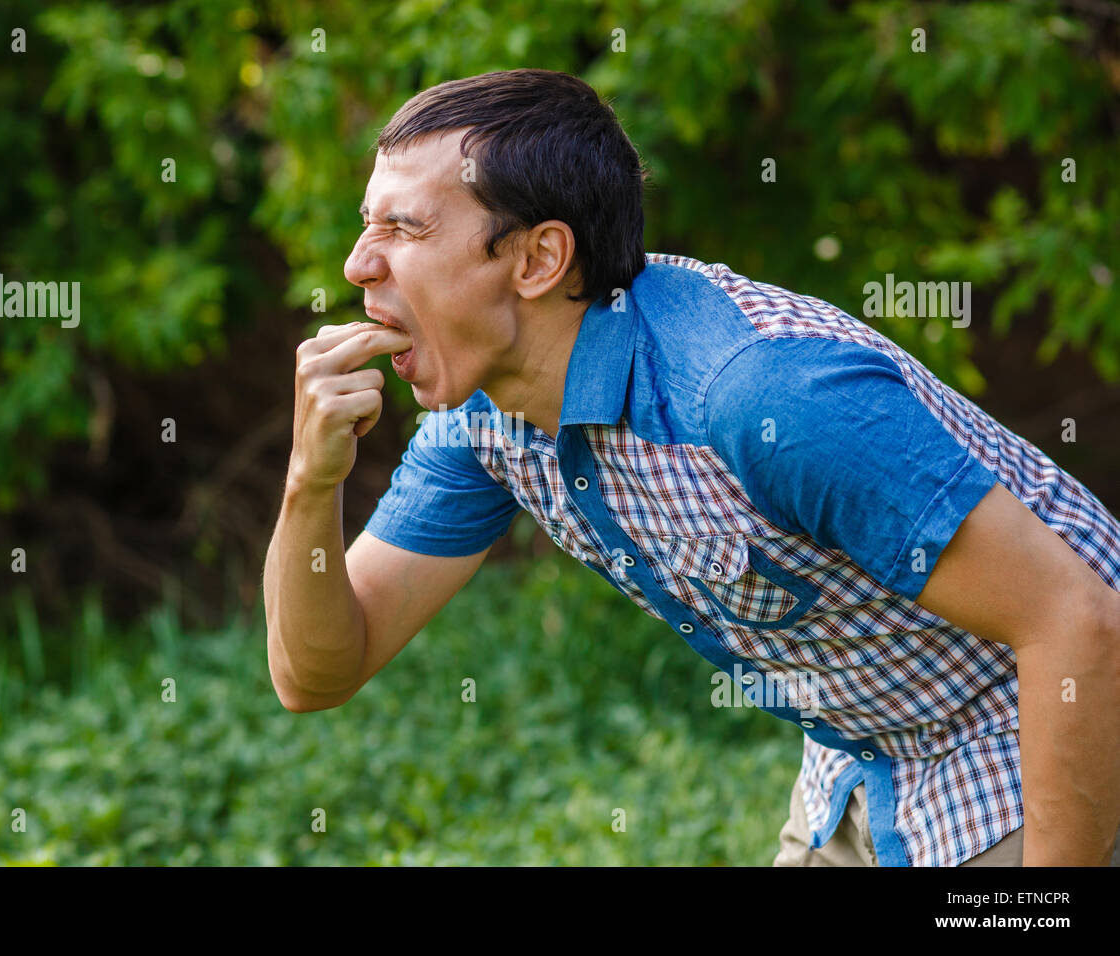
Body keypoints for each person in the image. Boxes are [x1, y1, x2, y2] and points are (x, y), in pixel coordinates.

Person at [261, 69, 1120, 866]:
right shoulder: (485, 417)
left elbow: (1077, 619)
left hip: (1038, 734)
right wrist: (310, 482)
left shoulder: (762, 396)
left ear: (536, 260)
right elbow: (318, 673)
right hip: (860, 762)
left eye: (404, 228)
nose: (358, 263)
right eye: (368, 222)